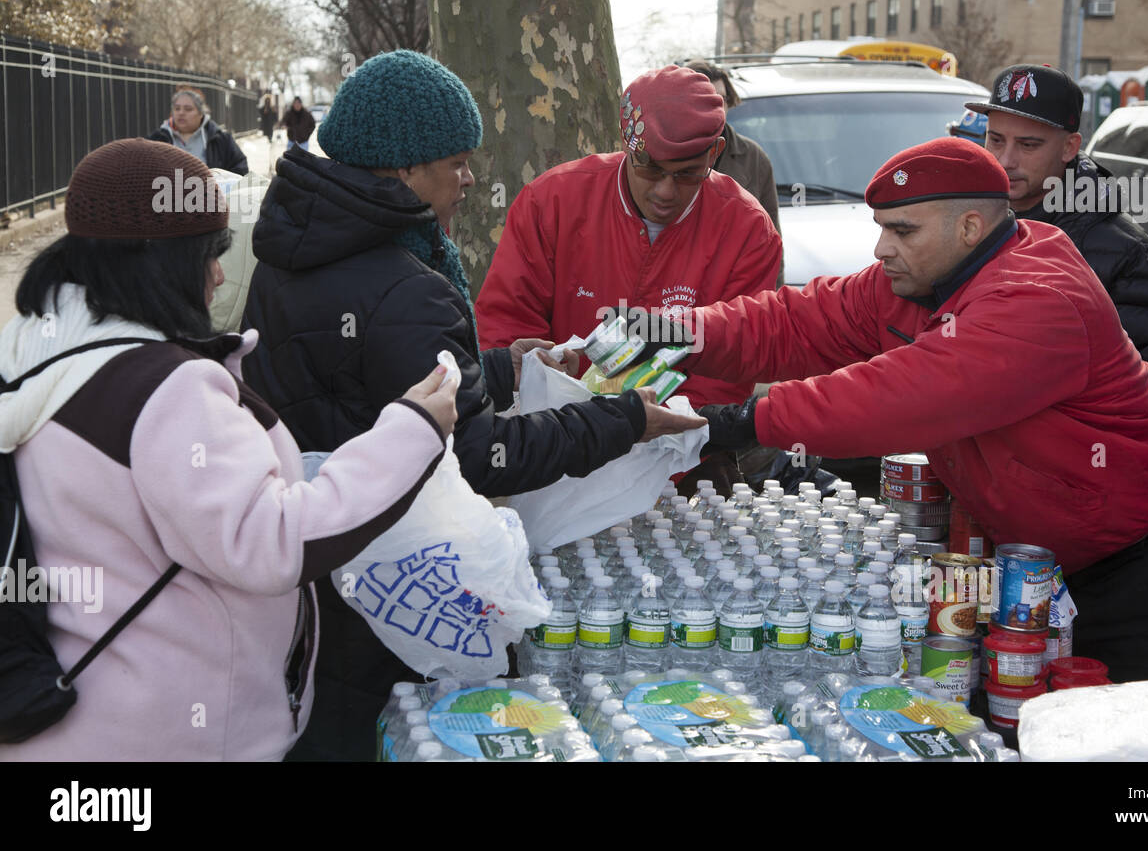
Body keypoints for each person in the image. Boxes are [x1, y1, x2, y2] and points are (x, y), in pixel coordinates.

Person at [241, 50, 704, 761]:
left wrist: (503, 370)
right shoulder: (409, 287)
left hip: (313, 572)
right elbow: (478, 454)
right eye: (455, 162)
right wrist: (624, 419)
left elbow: (370, 380)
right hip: (395, 587)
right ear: (402, 167)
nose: (468, 178)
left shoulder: (290, 252)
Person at [688, 137, 1148, 684]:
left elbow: (896, 397)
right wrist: (683, 333)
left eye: (902, 231)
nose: (882, 248)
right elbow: (799, 319)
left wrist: (736, 423)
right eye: (881, 229)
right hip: (1045, 571)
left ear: (970, 228)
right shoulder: (922, 281)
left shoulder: (1037, 296)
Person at [0, 139, 459, 761]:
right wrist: (413, 429)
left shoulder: (37, 354)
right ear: (155, 261)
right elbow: (270, 542)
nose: (220, 274)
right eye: (208, 255)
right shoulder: (163, 388)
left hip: (75, 724)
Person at [474, 65, 783, 493]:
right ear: (627, 145)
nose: (665, 192)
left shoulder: (748, 231)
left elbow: (728, 369)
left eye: (688, 174)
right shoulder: (552, 202)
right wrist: (543, 379)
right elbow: (505, 322)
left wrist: (644, 437)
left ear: (715, 154)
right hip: (552, 445)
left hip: (677, 453)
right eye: (650, 168)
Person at [968, 64, 1148, 411]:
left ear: (1069, 147)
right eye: (996, 139)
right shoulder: (964, 226)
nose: (1005, 159)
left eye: (1028, 145)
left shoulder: (1127, 255)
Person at [684, 59, 782, 281]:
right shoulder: (663, 153)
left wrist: (773, 304)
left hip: (734, 286)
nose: (716, 107)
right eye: (704, 100)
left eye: (722, 99)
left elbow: (772, 238)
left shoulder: (754, 158)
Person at [147, 87, 249, 175]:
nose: (181, 113)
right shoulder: (157, 139)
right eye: (177, 108)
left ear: (201, 114)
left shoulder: (221, 139)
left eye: (188, 109)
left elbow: (240, 169)